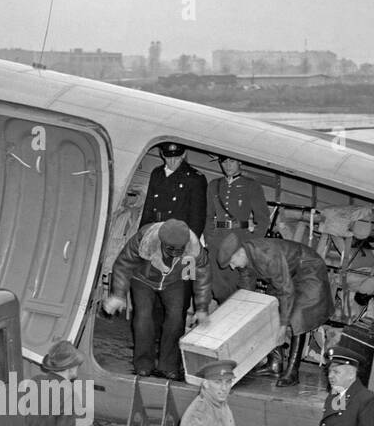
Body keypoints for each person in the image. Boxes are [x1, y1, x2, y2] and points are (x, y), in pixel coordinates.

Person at [215, 234, 333, 387]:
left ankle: (292, 372)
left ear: (240, 253)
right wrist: (240, 313)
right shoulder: (246, 257)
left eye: (232, 262)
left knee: (298, 316)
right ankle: (275, 365)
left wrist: (283, 326)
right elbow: (247, 288)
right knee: (270, 310)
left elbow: (286, 291)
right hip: (286, 274)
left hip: (308, 269)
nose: (232, 267)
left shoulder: (267, 256)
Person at [103, 219, 211, 381]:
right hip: (143, 279)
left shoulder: (194, 247)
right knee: (143, 318)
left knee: (176, 319)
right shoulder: (144, 238)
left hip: (175, 282)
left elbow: (202, 274)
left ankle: (169, 365)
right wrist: (118, 295)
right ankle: (143, 364)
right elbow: (123, 264)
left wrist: (202, 307)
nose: (175, 253)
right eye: (170, 250)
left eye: (179, 250)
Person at [204, 157, 270, 300]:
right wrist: (209, 238)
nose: (227, 165)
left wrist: (250, 245)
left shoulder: (251, 185)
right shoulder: (214, 185)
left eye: (232, 161)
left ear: (240, 162)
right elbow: (208, 215)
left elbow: (263, 219)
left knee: (239, 289)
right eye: (224, 162)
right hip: (217, 241)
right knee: (218, 287)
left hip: (240, 242)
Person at [139, 142, 207, 237]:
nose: (172, 162)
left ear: (183, 155)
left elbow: (197, 218)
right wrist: (142, 234)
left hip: (178, 236)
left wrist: (190, 242)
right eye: (169, 157)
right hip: (154, 232)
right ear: (162, 154)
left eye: (177, 158)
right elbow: (148, 208)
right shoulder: (157, 173)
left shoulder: (195, 178)